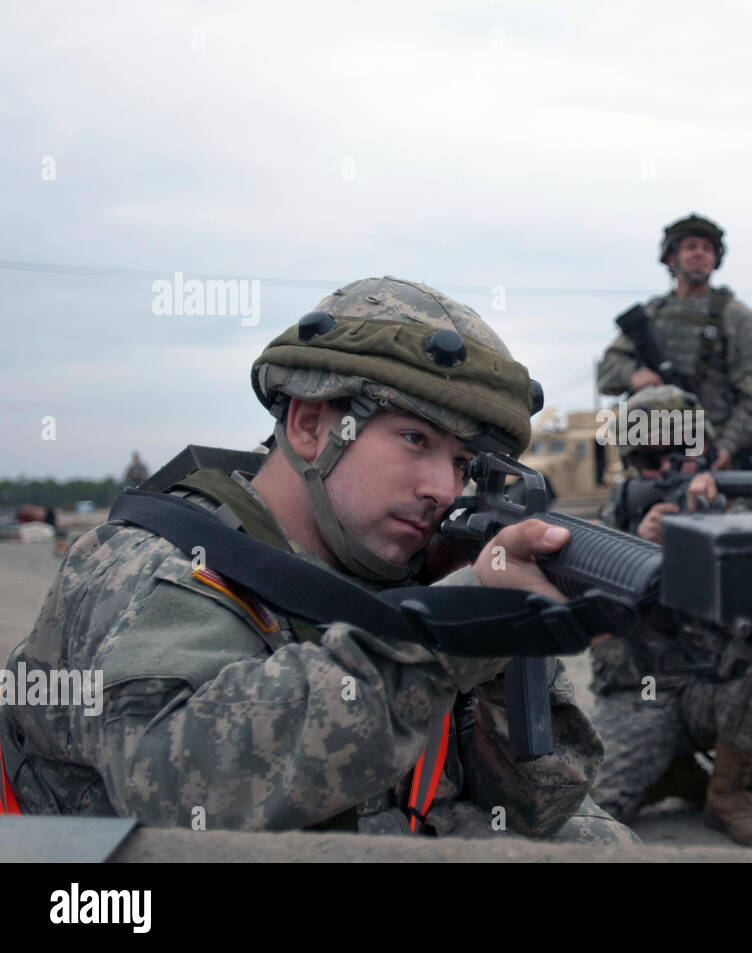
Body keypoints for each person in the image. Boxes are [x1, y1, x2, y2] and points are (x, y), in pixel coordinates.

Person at [0, 276, 636, 845]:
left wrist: (499, 642)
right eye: (416, 439)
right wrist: (448, 628)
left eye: (462, 464)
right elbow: (178, 788)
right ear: (309, 425)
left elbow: (540, 804)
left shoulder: (410, 564)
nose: (443, 489)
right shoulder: (152, 560)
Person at [589, 385, 752, 848]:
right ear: (634, 463)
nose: (669, 466)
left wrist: (713, 532)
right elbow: (590, 613)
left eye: (682, 451)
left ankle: (726, 794)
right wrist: (637, 547)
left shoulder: (739, 507)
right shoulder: (620, 513)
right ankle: (674, 773)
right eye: (652, 456)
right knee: (593, 812)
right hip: (639, 691)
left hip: (711, 688)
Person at [596, 213, 752, 469]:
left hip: (716, 458)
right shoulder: (650, 317)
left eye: (707, 249)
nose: (700, 254)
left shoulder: (737, 318)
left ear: (716, 260)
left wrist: (723, 449)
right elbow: (606, 373)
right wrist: (634, 374)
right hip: (654, 460)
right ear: (671, 258)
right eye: (691, 247)